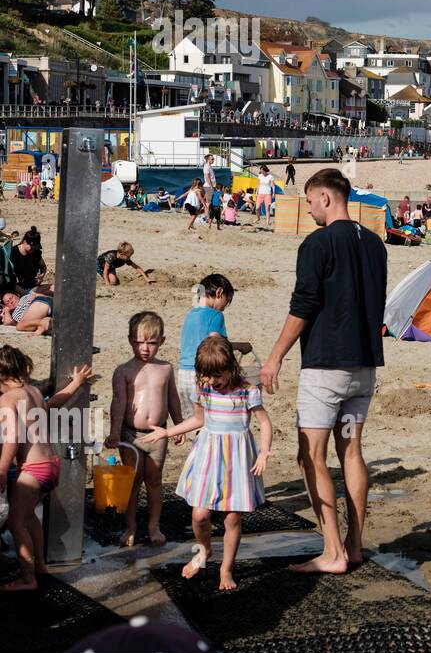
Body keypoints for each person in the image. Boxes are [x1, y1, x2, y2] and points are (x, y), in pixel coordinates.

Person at [260, 168, 388, 574]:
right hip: (363, 368)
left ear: (327, 198)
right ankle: (353, 546)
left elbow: (304, 305)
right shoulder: (375, 244)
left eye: (311, 199)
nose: (309, 207)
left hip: (325, 369)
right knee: (351, 450)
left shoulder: (317, 243)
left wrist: (275, 356)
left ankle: (332, 551)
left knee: (310, 454)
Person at [139, 337, 271, 591]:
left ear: (231, 368)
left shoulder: (247, 391)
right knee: (199, 515)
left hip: (237, 462)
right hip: (209, 458)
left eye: (217, 376)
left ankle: (226, 568)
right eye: (206, 376)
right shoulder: (205, 390)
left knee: (232, 519)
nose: (212, 381)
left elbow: (264, 423)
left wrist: (264, 452)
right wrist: (166, 432)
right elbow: (198, 420)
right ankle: (205, 550)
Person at [0, 347, 93, 590]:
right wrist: (76, 383)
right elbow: (56, 402)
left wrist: (1, 470)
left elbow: (12, 438)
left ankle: (28, 578)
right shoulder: (33, 392)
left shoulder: (7, 400)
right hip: (52, 466)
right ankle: (40, 567)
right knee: (30, 517)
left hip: (33, 470)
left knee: (15, 523)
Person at [107, 311, 183, 546]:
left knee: (154, 481)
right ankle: (130, 527)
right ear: (130, 340)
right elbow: (118, 403)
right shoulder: (124, 370)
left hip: (158, 434)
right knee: (132, 481)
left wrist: (179, 425)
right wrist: (114, 431)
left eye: (151, 343)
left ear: (162, 341)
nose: (145, 348)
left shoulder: (166, 368)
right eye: (139, 342)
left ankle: (153, 526)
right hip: (131, 434)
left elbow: (172, 398)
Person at [179, 274, 252, 420]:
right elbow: (216, 346)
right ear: (219, 292)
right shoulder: (215, 315)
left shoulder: (191, 314)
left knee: (192, 420)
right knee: (208, 420)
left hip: (183, 374)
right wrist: (241, 346)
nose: (225, 307)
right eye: (227, 301)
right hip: (203, 374)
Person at [1, 227, 46, 296]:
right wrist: (25, 293)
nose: (33, 249)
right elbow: (7, 278)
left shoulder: (36, 253)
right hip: (16, 289)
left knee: (54, 288)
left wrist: (42, 276)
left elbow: (43, 267)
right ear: (24, 241)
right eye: (32, 247)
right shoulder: (12, 253)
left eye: (35, 247)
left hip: (33, 287)